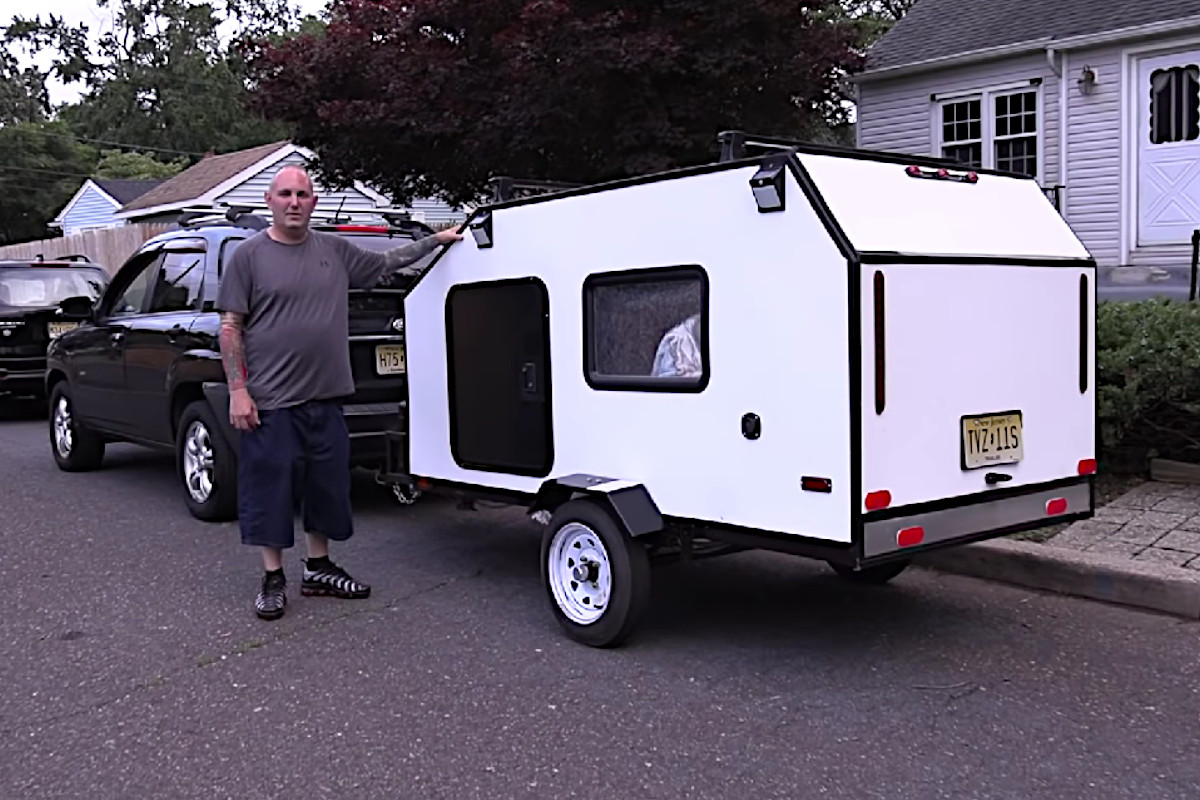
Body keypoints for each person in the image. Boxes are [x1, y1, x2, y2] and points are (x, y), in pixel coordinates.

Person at [215, 164, 463, 620]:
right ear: (270, 201)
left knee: (326, 486)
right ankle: (273, 577)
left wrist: (436, 241)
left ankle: (319, 567)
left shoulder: (333, 250)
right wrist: (238, 390)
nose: (294, 202)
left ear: (313, 202)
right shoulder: (248, 257)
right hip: (270, 400)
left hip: (326, 397)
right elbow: (230, 327)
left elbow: (387, 263)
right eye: (285, 194)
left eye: (303, 194)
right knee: (270, 489)